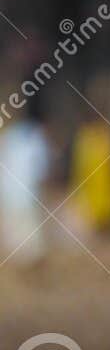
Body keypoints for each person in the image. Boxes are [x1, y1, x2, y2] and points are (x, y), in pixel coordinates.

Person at [0, 107, 51, 265]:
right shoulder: (36, 138)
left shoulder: (9, 136)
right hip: (26, 194)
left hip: (11, 193)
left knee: (19, 240)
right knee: (29, 244)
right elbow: (42, 169)